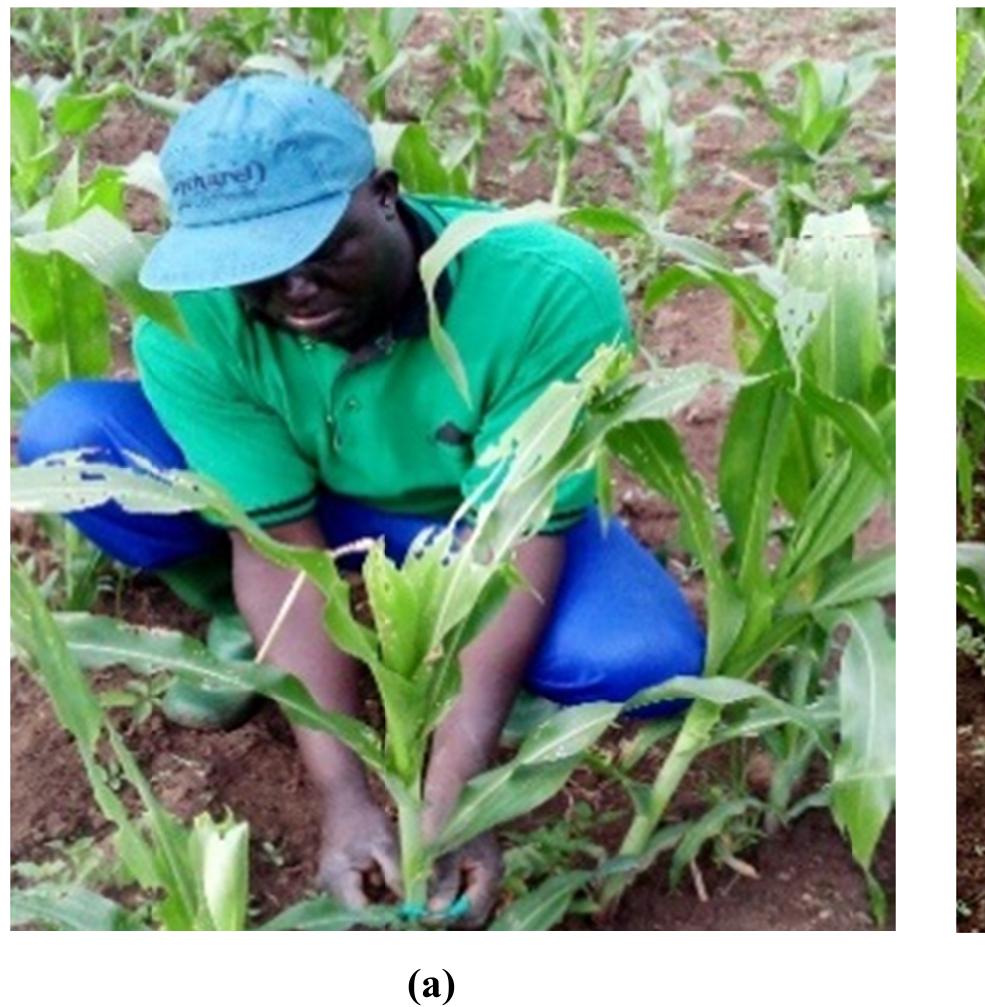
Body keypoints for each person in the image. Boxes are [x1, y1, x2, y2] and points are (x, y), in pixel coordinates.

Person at [15, 75, 704, 925]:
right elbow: (274, 540)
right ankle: (254, 622)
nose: (293, 290)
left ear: (384, 194)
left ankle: (471, 668)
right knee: (74, 439)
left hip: (480, 520)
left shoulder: (544, 288)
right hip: (307, 508)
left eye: (321, 248)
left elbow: (512, 536)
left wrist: (455, 792)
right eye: (255, 267)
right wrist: (342, 792)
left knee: (645, 667)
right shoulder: (194, 315)